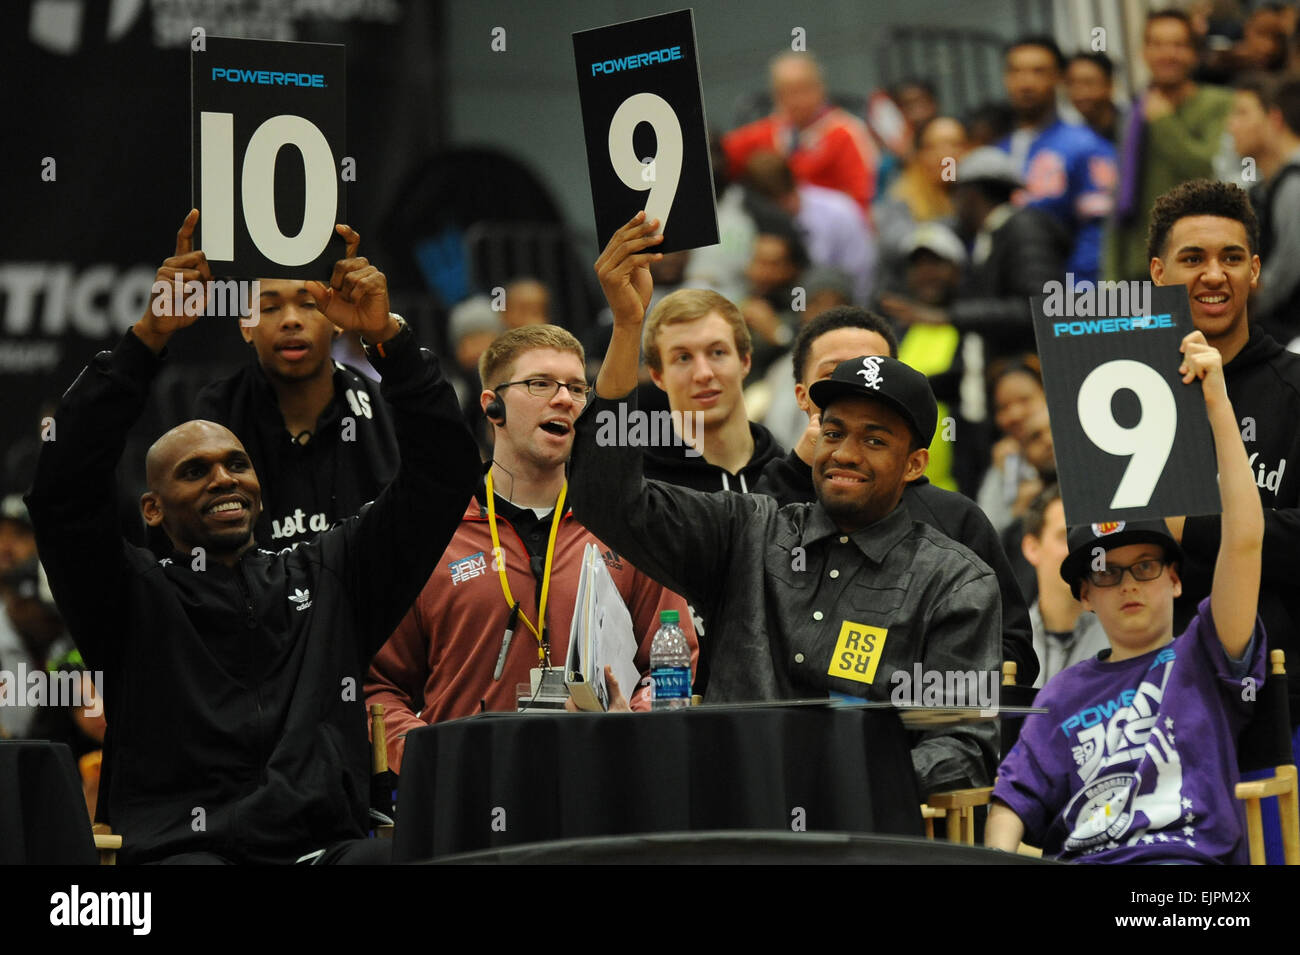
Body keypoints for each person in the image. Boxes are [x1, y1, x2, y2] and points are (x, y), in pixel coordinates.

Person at [24, 211, 481, 864]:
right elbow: (61, 487)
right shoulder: (128, 597)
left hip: (320, 847)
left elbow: (445, 471)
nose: (222, 477)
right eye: (194, 470)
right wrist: (150, 335)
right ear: (151, 509)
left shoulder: (332, 573)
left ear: (260, 487)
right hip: (182, 850)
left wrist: (388, 339)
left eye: (236, 463)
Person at [571, 213, 1004, 797]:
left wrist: (841, 785)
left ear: (915, 465)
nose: (844, 452)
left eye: (875, 439)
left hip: (862, 837)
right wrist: (628, 327)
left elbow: (960, 748)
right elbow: (608, 502)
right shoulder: (747, 528)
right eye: (834, 430)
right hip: (732, 822)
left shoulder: (956, 582)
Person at [364, 325, 697, 772]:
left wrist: (635, 724)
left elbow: (671, 663)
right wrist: (428, 757)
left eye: (577, 388)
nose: (564, 399)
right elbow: (378, 687)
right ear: (492, 406)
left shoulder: (627, 525)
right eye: (539, 384)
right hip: (467, 797)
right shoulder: (429, 530)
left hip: (604, 783)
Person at [987, 329, 1265, 863]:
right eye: (1107, 573)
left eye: (1144, 565)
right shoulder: (1060, 695)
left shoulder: (1207, 650)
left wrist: (1218, 403)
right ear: (1086, 595)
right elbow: (1010, 801)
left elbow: (1246, 538)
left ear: (1176, 579)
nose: (1130, 583)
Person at [753, 305, 1038, 688]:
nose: (862, 388)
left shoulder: (956, 519)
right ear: (803, 396)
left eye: (876, 371)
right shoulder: (767, 501)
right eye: (837, 375)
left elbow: (1010, 652)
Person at [1146, 179, 1300, 741]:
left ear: (1255, 271)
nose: (1214, 274)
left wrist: (1190, 529)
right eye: (1193, 259)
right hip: (1150, 696)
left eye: (1231, 258)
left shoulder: (1294, 390)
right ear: (1158, 273)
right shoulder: (1118, 393)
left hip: (1281, 697)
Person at [190, 260, 401, 548]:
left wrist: (390, 334)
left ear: (337, 320)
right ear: (246, 327)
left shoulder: (387, 408)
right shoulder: (215, 418)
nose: (291, 320)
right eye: (270, 308)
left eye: (309, 304)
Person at [879, 147, 1069, 363]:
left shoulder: (1023, 230)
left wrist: (949, 316)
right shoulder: (997, 235)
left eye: (956, 194)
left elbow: (1042, 308)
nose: (954, 206)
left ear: (971, 195)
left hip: (1031, 371)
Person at [1106, 8, 1234, 283]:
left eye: (1178, 45)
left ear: (1194, 53)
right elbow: (1120, 195)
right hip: (1138, 262)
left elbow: (1210, 169)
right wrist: (1110, 276)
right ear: (1144, 52)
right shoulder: (1134, 112)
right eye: (1158, 44)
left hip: (1200, 261)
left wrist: (1165, 122)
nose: (1168, 54)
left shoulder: (1219, 103)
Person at [640, 287, 785, 493]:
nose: (703, 373)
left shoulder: (790, 476)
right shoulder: (638, 488)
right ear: (657, 376)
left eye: (717, 352)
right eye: (683, 357)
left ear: (744, 361)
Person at [1000, 35, 1117, 283]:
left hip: (1066, 295)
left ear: (1059, 79)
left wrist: (1078, 296)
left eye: (1038, 71)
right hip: (1009, 302)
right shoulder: (997, 151)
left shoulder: (1086, 146)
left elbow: (1099, 233)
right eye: (1016, 71)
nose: (1026, 82)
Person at [724, 53, 878, 211]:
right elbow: (722, 156)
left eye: (804, 89)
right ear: (776, 96)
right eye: (788, 92)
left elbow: (860, 201)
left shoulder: (846, 133)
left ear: (820, 88)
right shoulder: (766, 131)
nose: (797, 100)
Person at [742, 151, 876, 305]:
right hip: (789, 302)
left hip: (839, 301)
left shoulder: (839, 212)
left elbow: (861, 273)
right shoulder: (757, 218)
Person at [1227, 73, 1300, 344]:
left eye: (1242, 113)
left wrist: (1241, 310)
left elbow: (1289, 268)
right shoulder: (1264, 187)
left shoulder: (1294, 182)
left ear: (1275, 118)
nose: (1231, 125)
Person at [1018, 484, 1107, 689]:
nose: (1081, 549)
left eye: (1090, 538)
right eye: (1067, 536)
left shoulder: (1124, 637)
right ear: (1032, 548)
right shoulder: (1004, 641)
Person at [1065, 52, 1125, 145]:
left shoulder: (1133, 126)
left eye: (1088, 83)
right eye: (1072, 84)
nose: (1080, 93)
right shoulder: (1073, 139)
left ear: (1110, 85)